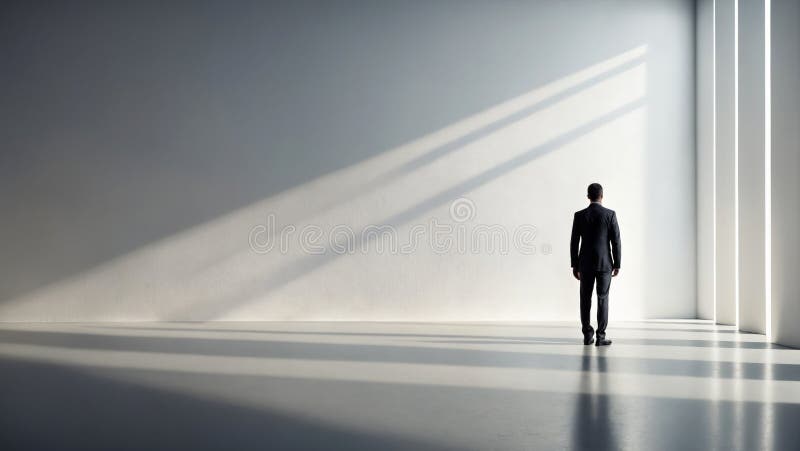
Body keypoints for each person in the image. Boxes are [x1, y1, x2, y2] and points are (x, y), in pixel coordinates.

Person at [570, 183, 621, 346]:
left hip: (584, 264)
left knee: (585, 299)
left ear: (588, 197)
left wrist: (574, 264)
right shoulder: (610, 214)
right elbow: (616, 241)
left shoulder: (579, 215)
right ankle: (600, 337)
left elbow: (574, 242)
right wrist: (617, 263)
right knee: (602, 298)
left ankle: (587, 335)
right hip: (605, 263)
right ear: (602, 196)